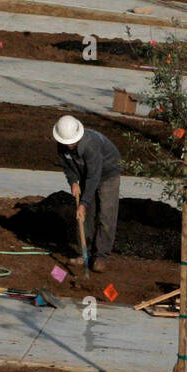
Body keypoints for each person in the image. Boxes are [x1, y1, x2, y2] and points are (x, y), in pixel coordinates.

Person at [52, 114, 121, 271]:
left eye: (71, 142)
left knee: (106, 214)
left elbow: (93, 177)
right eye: (66, 142)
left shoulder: (91, 145)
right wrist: (73, 181)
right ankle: (85, 254)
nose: (69, 145)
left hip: (107, 173)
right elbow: (67, 166)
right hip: (85, 173)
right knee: (83, 216)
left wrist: (84, 202)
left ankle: (101, 256)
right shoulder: (62, 143)